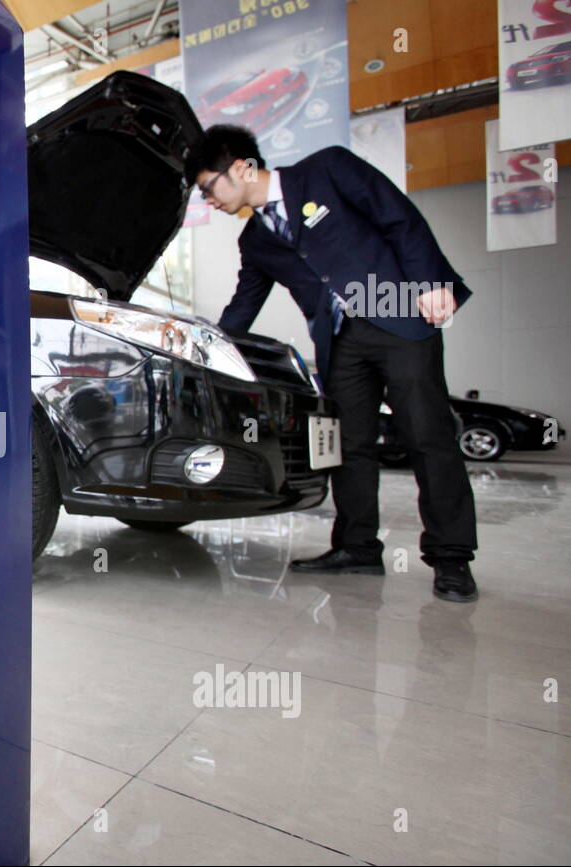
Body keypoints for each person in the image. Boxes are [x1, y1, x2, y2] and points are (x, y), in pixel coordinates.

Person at [185, 125, 478, 602]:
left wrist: (429, 283)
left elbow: (398, 218)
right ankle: (358, 547)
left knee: (428, 437)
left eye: (208, 187)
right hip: (340, 344)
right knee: (349, 447)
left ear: (241, 167)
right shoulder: (255, 242)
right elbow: (242, 308)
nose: (209, 202)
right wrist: (202, 349)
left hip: (400, 316)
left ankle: (452, 558)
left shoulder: (327, 170)